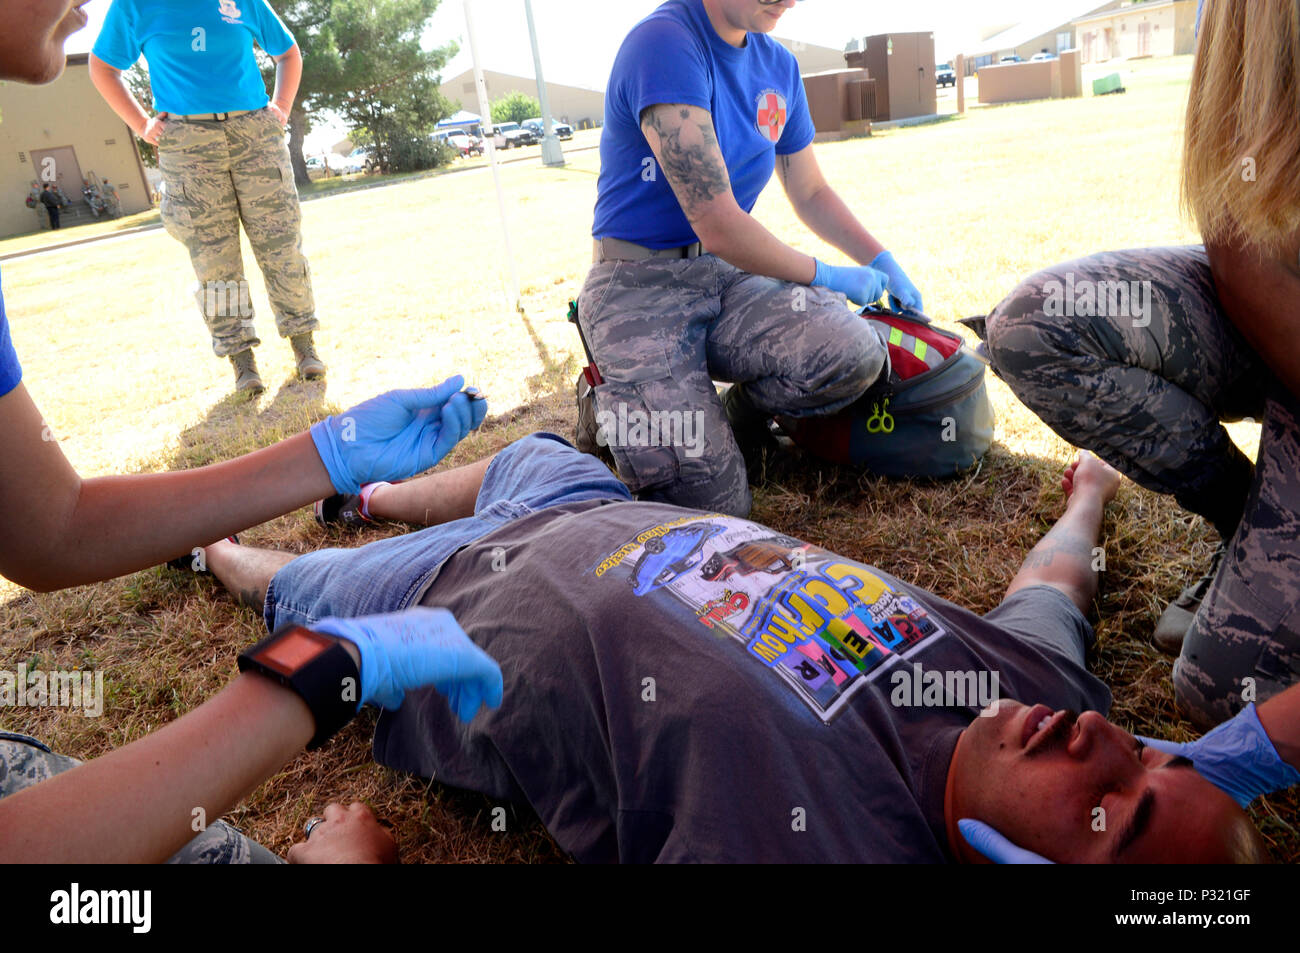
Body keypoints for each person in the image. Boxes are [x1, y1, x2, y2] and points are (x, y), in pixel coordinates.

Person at [203, 433, 1283, 862]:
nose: (1109, 737)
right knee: (531, 449)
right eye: (1154, 753)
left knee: (287, 586)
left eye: (1118, 807)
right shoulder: (1034, 686)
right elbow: (1050, 585)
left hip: (431, 607)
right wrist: (1089, 494)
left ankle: (217, 549)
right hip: (586, 500)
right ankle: (378, 492)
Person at [979, 0, 1300, 729]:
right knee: (1036, 326)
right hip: (1281, 306)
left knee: (1223, 684)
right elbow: (1236, 216)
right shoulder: (1252, 16)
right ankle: (1244, 518)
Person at [577, 0, 925, 518]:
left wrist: (879, 258)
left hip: (726, 275)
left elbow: (808, 191)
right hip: (636, 284)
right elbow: (716, 222)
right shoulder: (665, 44)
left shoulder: (778, 66)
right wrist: (826, 275)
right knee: (713, 511)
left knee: (853, 354)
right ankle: (603, 402)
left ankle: (731, 410)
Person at [88, 0, 323, 394]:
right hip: (188, 143)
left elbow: (288, 53)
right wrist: (142, 124)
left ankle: (304, 345)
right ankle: (242, 361)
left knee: (281, 244)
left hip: (254, 134)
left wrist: (280, 108)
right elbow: (102, 67)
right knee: (214, 258)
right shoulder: (134, 5)